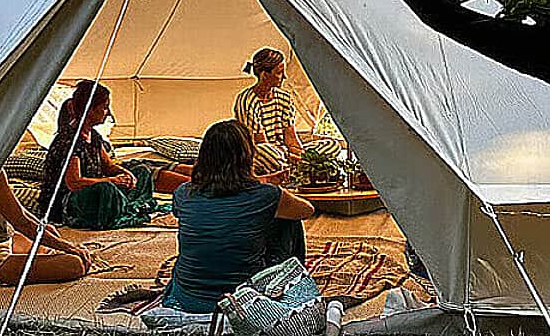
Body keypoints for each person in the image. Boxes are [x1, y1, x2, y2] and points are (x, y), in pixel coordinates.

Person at [160, 119, 315, 314]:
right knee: (287, 221)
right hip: (243, 301)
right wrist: (269, 187)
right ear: (248, 154)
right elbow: (307, 210)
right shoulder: (267, 196)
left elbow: (221, 196)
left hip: (188, 298)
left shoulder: (183, 193)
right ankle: (288, 284)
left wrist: (261, 183)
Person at [38, 80, 190, 228]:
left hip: (95, 190)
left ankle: (125, 208)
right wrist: (112, 180)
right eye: (104, 107)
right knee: (106, 189)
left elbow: (109, 166)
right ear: (90, 110)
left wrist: (125, 174)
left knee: (142, 172)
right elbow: (74, 183)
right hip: (68, 202)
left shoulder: (94, 136)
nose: (108, 112)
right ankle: (126, 210)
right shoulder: (69, 140)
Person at [0, 169, 92, 285]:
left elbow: (20, 213)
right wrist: (69, 247)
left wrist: (42, 226)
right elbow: (22, 223)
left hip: (3, 241)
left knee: (49, 232)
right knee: (75, 264)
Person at [233, 47, 340, 176]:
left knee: (332, 145)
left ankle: (296, 168)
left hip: (284, 154)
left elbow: (291, 137)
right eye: (279, 72)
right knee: (266, 152)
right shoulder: (247, 101)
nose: (284, 76)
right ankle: (299, 168)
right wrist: (288, 155)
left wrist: (298, 153)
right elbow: (258, 142)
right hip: (262, 153)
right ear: (265, 75)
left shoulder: (284, 98)